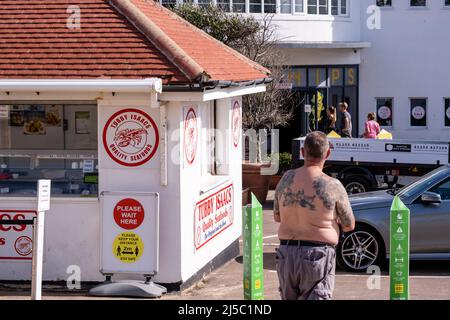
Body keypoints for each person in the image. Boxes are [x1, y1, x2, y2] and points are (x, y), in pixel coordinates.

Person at [274, 131, 355, 300]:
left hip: (286, 253)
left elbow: (277, 216)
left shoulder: (286, 179)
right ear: (327, 153)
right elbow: (349, 225)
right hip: (317, 255)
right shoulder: (333, 185)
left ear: (303, 152)